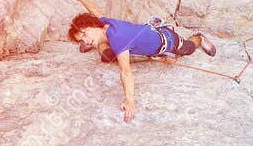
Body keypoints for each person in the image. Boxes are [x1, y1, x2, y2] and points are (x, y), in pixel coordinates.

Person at [68, 9, 216, 122]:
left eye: (86, 35)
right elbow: (95, 11)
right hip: (144, 40)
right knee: (107, 57)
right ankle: (99, 43)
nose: (85, 40)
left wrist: (129, 100)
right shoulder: (105, 23)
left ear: (94, 25)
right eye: (82, 40)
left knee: (187, 49)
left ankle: (198, 37)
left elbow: (126, 72)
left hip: (168, 40)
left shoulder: (118, 37)